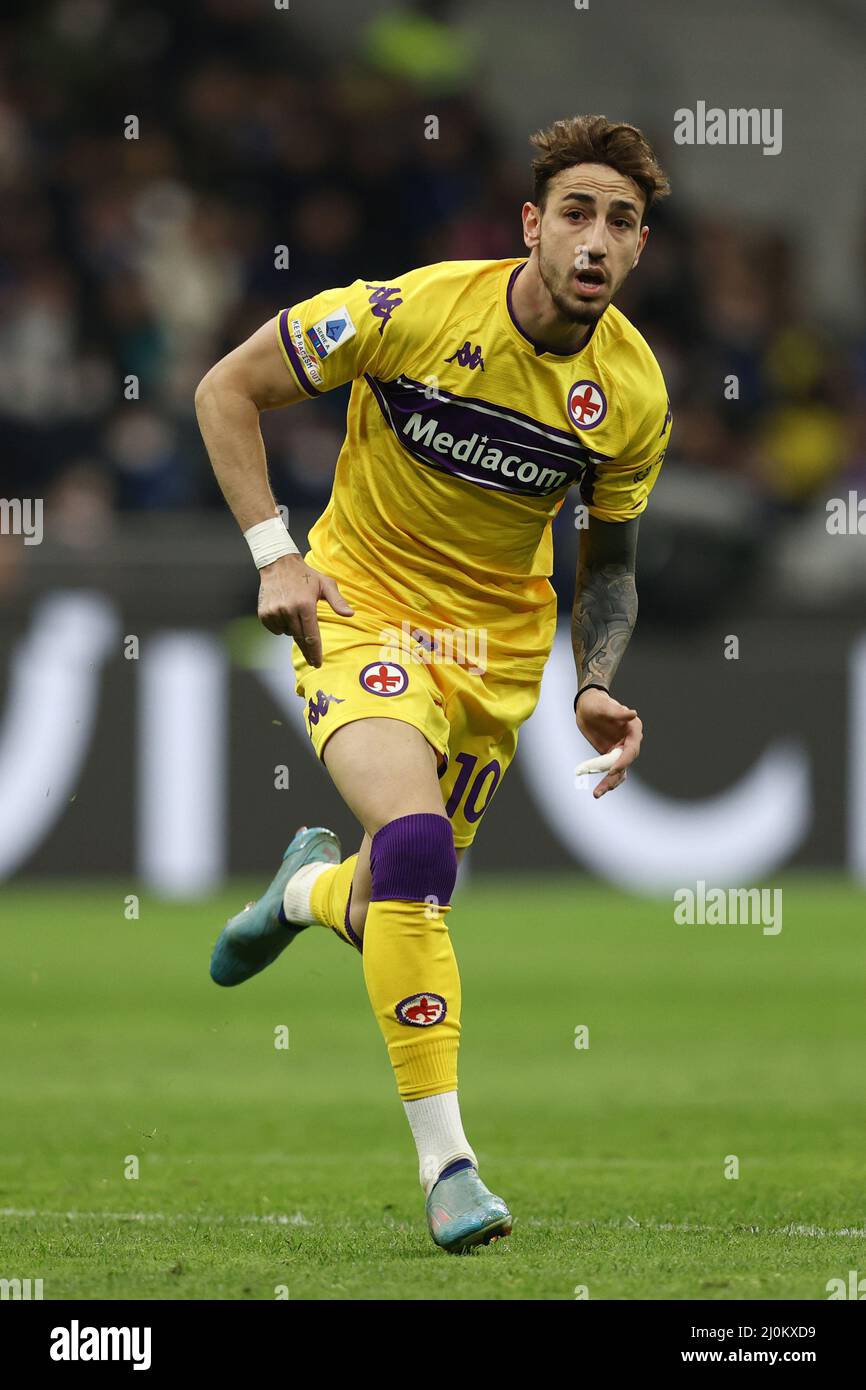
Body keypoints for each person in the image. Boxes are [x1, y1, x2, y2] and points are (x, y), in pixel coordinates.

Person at [194, 114, 672, 1254]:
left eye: (620, 221)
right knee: (414, 847)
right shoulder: (411, 310)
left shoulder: (634, 396)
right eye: (574, 213)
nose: (594, 239)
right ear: (530, 226)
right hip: (359, 610)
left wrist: (596, 676)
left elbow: (607, 563)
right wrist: (277, 553)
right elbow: (226, 388)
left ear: (639, 247)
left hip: (492, 657)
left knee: (395, 901)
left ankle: (305, 891)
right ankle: (447, 1166)